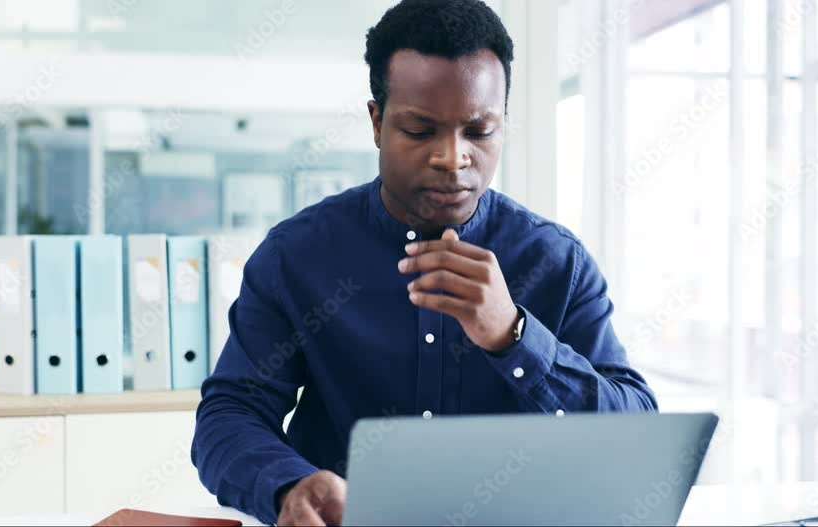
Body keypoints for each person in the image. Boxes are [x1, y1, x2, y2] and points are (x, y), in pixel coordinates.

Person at [192, 0, 657, 524]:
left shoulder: (557, 262)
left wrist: (514, 335)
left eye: (479, 132)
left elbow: (636, 433)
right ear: (376, 122)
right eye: (419, 130)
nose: (452, 157)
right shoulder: (295, 257)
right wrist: (287, 487)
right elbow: (230, 414)